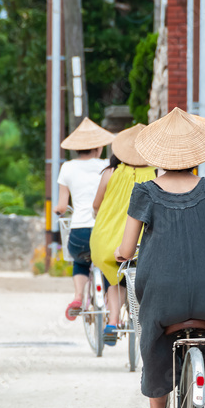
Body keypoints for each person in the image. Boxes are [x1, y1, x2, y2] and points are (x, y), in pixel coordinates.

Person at [115, 108, 205, 408]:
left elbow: (127, 248)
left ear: (158, 157)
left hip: (162, 292)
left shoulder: (144, 192)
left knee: (154, 342)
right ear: (198, 156)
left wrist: (121, 254)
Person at [90, 124, 156, 345]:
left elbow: (97, 206)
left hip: (108, 239)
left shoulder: (110, 173)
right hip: (144, 242)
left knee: (115, 276)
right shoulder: (157, 174)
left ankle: (113, 321)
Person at [54, 117, 115, 320]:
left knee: (80, 262)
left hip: (79, 232)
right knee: (108, 264)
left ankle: (78, 297)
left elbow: (62, 206)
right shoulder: (108, 166)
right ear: (98, 147)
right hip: (104, 230)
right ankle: (109, 306)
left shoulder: (67, 168)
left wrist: (59, 210)